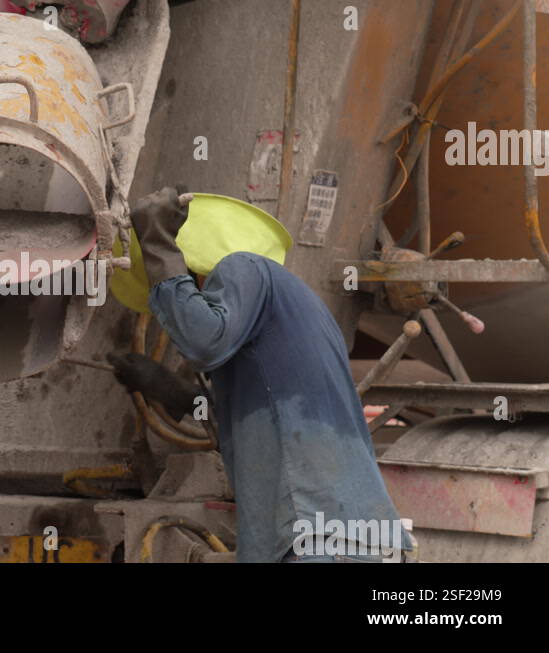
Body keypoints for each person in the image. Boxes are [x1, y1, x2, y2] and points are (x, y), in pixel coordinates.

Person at [112, 187, 411, 563]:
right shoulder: (296, 312)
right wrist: (174, 392)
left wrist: (156, 240)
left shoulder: (244, 266)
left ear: (189, 265)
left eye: (177, 281)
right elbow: (271, 415)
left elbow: (203, 339)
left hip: (318, 534)